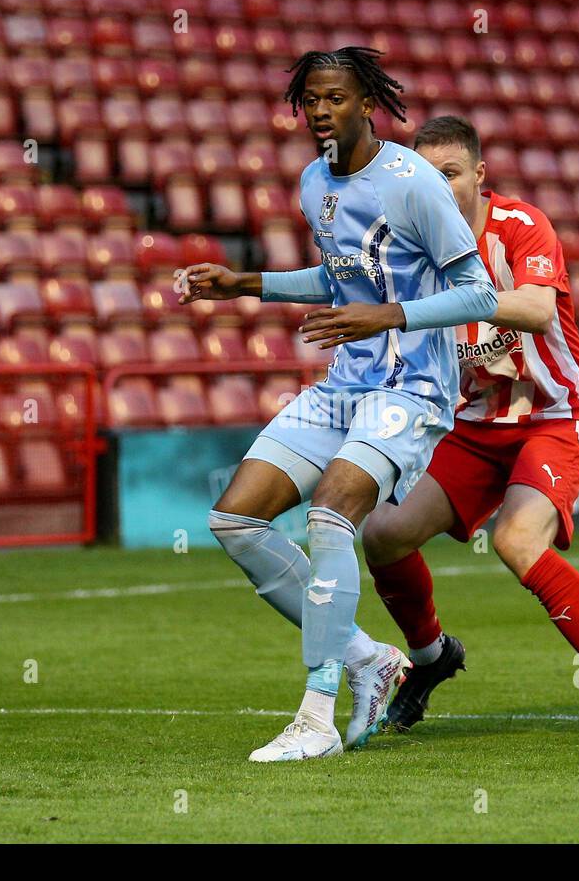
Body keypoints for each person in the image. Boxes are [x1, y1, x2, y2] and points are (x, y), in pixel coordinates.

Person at [180, 49, 498, 761]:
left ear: (367, 104)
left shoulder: (415, 182)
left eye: (335, 98)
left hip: (412, 388)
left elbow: (479, 293)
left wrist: (388, 317)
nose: (321, 111)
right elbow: (341, 274)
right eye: (310, 99)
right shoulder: (312, 182)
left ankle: (316, 714)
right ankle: (371, 658)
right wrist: (246, 284)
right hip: (344, 387)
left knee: (329, 513)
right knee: (234, 516)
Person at [360, 116, 579, 742]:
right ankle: (430, 656)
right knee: (383, 536)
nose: (437, 188)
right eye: (425, 175)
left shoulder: (520, 227)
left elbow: (535, 307)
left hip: (555, 415)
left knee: (517, 541)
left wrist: (425, 308)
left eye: (450, 173)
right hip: (473, 426)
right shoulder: (410, 252)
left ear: (479, 174)